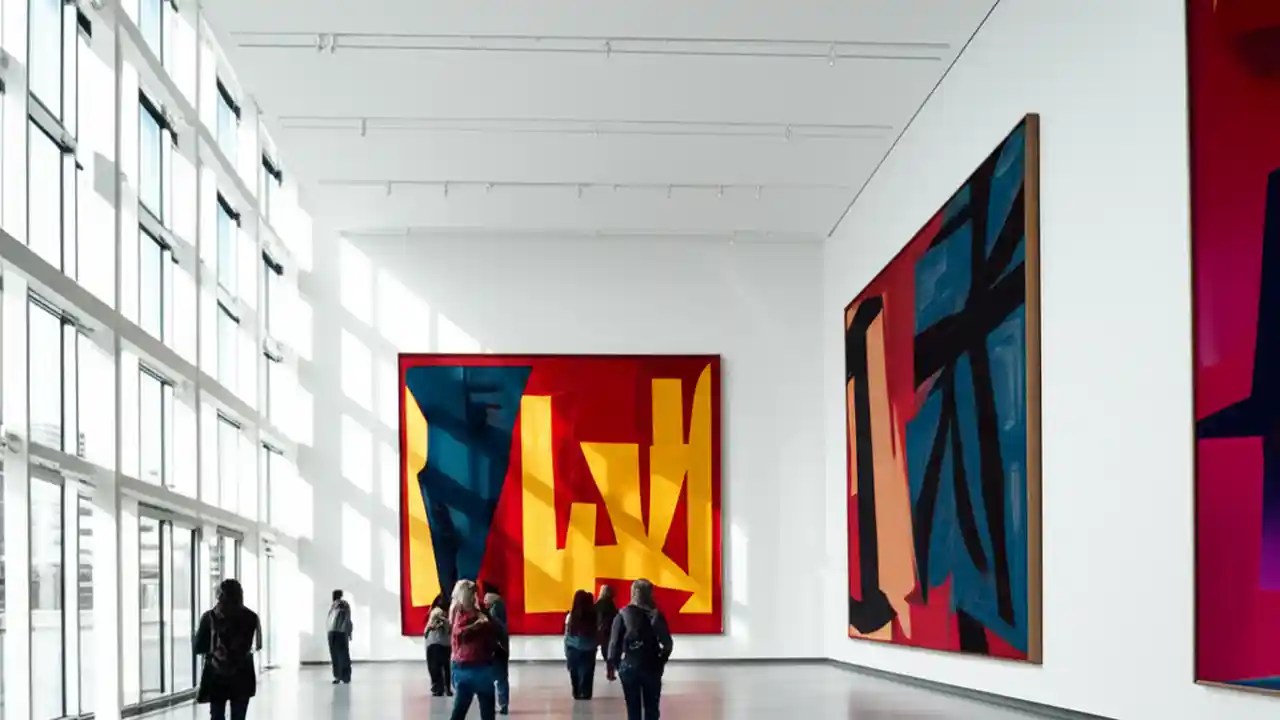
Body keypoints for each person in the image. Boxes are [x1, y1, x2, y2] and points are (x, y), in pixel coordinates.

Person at [195, 579, 262, 720]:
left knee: (217, 716)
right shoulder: (251, 617)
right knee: (239, 716)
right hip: (243, 675)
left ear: (220, 595)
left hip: (216, 674)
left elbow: (199, 647)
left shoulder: (209, 617)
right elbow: (257, 645)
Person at [607, 579, 673, 720]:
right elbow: (667, 644)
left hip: (629, 665)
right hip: (651, 666)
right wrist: (661, 661)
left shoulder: (623, 614)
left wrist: (618, 665)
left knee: (633, 707)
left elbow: (613, 645)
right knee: (652, 708)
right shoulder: (655, 615)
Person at [449, 580, 498, 720]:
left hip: (474, 665)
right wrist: (479, 624)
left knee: (462, 710)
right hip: (471, 666)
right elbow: (459, 633)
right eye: (472, 594)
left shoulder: (478, 611)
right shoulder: (459, 613)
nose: (475, 596)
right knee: (469, 710)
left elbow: (493, 632)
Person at [564, 589, 599, 700]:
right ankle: (586, 692)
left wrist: (566, 650)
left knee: (574, 671)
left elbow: (567, 633)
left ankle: (577, 692)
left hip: (573, 647)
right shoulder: (594, 616)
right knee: (588, 671)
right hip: (589, 647)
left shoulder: (571, 616)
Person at [482, 583, 510, 715]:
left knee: (489, 678)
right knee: (502, 677)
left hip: (492, 647)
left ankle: (491, 705)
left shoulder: (491, 613)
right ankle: (504, 703)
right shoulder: (502, 605)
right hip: (503, 646)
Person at [425, 593, 453, 697]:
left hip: (434, 642)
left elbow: (428, 630)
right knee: (446, 667)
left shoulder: (435, 611)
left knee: (434, 667)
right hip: (445, 643)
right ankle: (447, 688)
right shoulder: (449, 612)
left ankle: (437, 688)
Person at [327, 589, 354, 684]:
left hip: (338, 632)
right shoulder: (335, 605)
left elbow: (347, 619)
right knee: (337, 655)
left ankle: (343, 676)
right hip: (334, 631)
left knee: (340, 655)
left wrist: (348, 632)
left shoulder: (341, 604)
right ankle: (340, 676)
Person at [593, 584, 619, 681]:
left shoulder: (597, 604)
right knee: (609, 652)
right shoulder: (610, 604)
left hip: (598, 632)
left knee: (603, 652)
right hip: (609, 632)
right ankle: (610, 672)